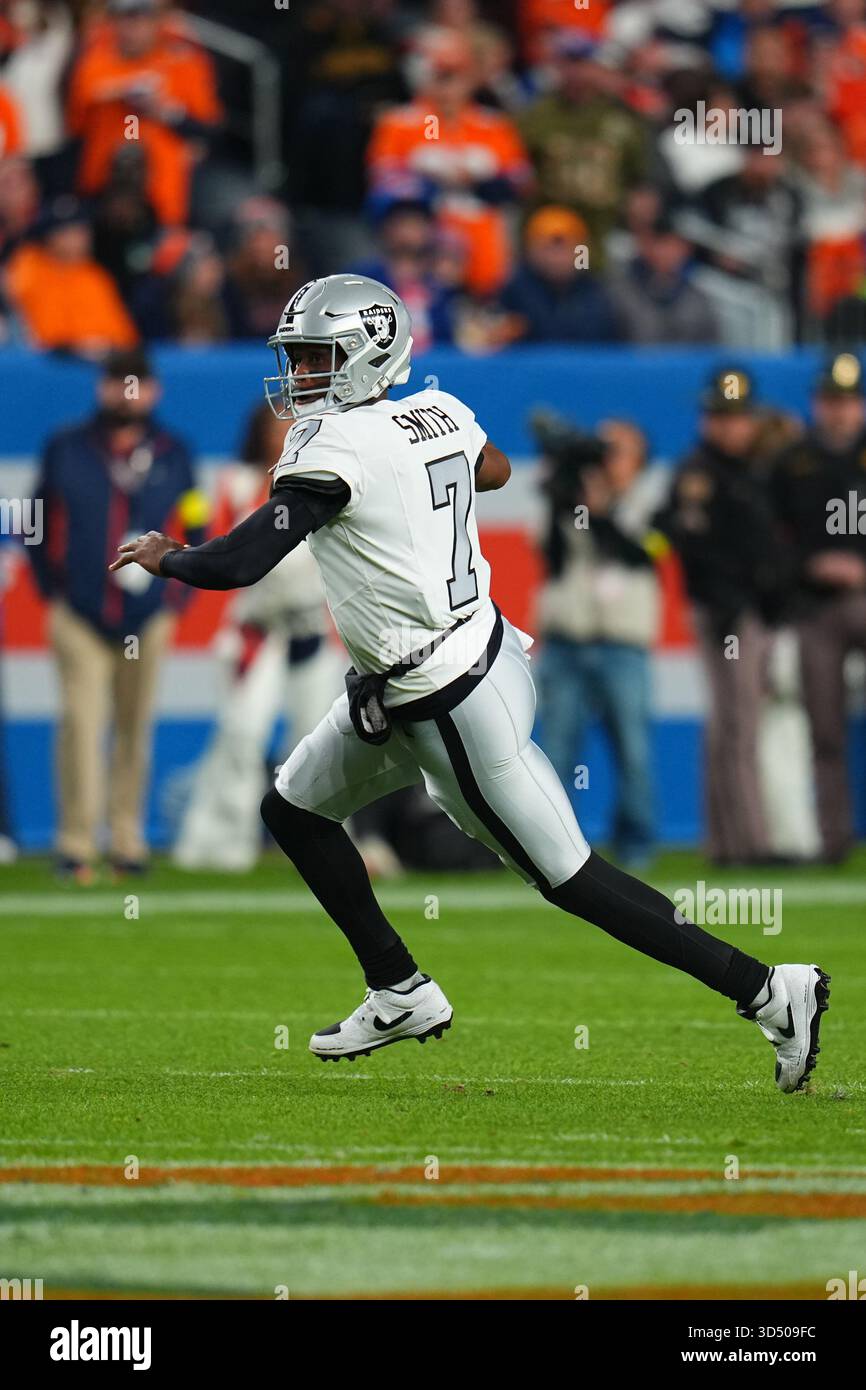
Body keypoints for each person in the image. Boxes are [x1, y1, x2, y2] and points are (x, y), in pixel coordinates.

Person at [112, 274, 829, 1094]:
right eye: (298, 356)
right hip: (441, 666)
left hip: (449, 700)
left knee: (573, 879)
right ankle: (397, 986)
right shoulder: (441, 411)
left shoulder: (331, 448)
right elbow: (490, 471)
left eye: (316, 356)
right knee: (293, 810)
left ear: (366, 354)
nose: (300, 374)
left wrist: (168, 554)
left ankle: (771, 990)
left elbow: (238, 563)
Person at [30, 349, 208, 880]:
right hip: (80, 613)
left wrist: (175, 597)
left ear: (153, 391)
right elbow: (37, 523)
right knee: (81, 726)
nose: (127, 394)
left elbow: (195, 525)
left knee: (135, 728)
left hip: (148, 615)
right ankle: (76, 845)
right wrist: (54, 591)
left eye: (137, 384)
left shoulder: (174, 453)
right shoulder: (67, 447)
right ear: (101, 387)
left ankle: (127, 842)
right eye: (116, 382)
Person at [173, 403, 337, 872]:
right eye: (275, 423)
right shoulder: (237, 482)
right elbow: (221, 547)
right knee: (242, 734)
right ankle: (221, 843)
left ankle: (313, 846)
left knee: (319, 742)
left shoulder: (329, 476)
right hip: (259, 631)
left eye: (291, 422)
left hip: (311, 627)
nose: (284, 431)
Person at [656, 367, 787, 866]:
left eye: (738, 417)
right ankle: (748, 843)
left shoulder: (756, 470)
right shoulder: (699, 473)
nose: (731, 426)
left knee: (734, 726)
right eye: (721, 417)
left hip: (755, 610)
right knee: (739, 726)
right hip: (727, 615)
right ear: (707, 419)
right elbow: (678, 536)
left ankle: (730, 843)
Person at [535, 416, 669, 868]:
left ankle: (636, 847)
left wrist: (601, 510)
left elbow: (642, 552)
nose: (606, 461)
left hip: (622, 645)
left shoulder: (653, 500)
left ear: (639, 461)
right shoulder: (568, 496)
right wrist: (565, 493)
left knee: (633, 750)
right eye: (602, 450)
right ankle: (551, 848)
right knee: (555, 750)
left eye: (618, 452)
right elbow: (549, 556)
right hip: (566, 641)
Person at [772, 352, 866, 863]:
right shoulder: (794, 461)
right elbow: (772, 535)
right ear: (816, 404)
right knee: (824, 728)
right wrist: (811, 565)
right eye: (832, 401)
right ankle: (834, 840)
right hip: (815, 607)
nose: (840, 412)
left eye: (848, 401)